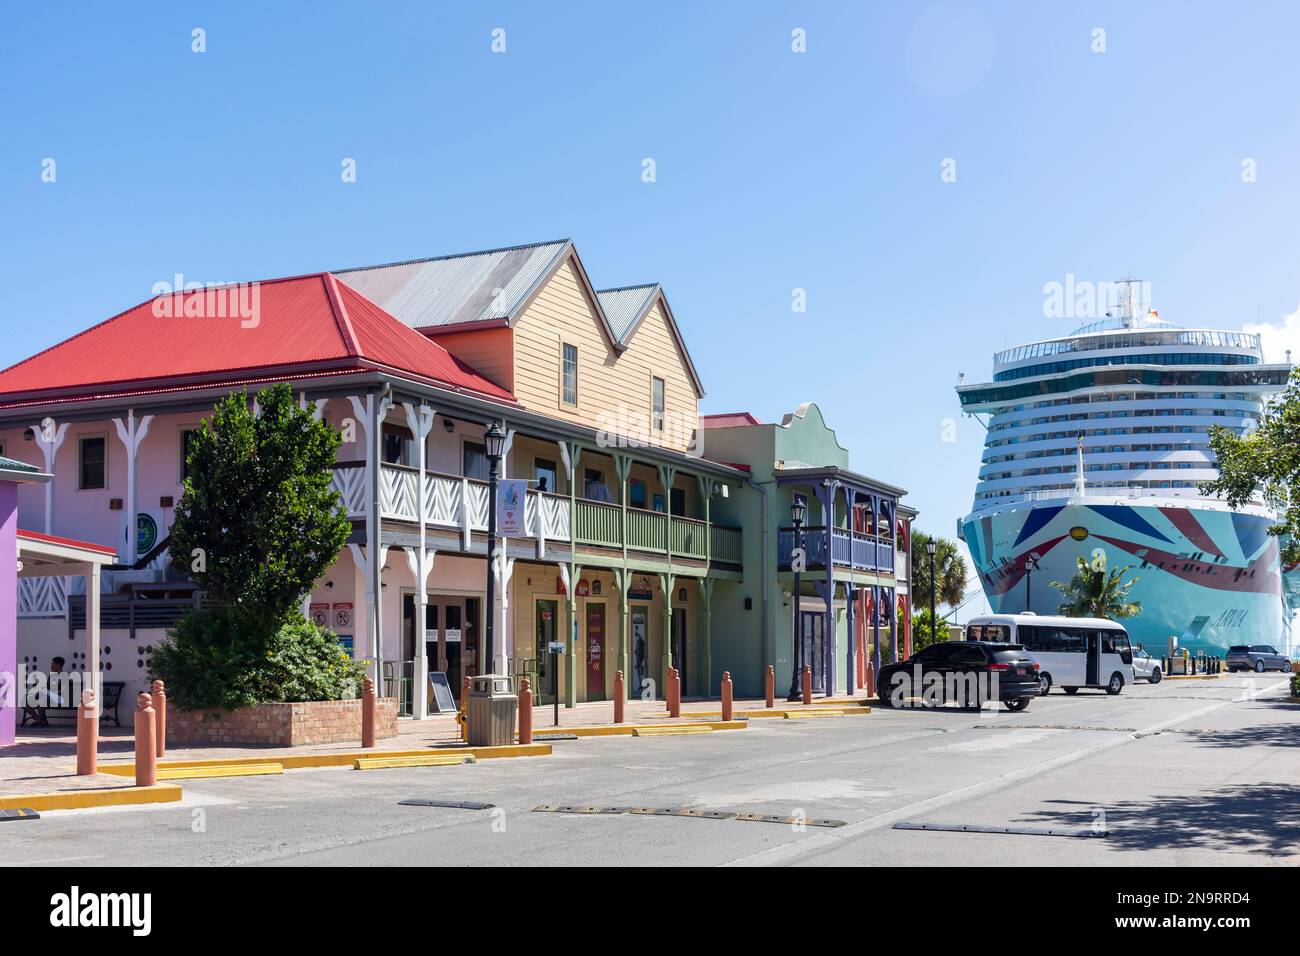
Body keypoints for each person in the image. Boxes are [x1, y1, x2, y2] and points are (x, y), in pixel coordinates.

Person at [23, 656, 66, 727]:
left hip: (58, 698)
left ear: (58, 665)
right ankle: (39, 720)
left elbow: (63, 691)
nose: (51, 666)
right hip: (46, 697)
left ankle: (39, 721)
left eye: (53, 664)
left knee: (42, 698)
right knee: (24, 702)